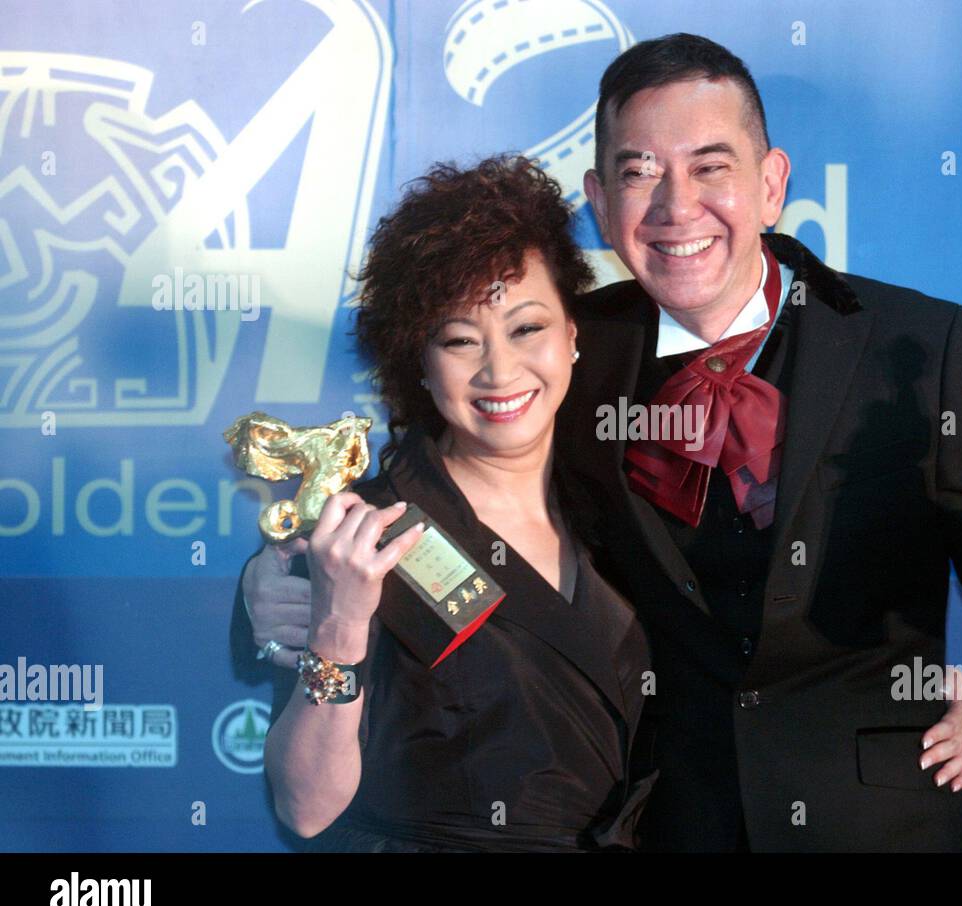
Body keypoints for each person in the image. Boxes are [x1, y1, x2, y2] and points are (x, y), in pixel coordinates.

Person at [236, 32, 962, 852]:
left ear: (771, 184)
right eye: (640, 172)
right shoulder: (563, 352)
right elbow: (423, 486)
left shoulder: (919, 344)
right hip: (665, 826)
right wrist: (274, 578)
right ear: (601, 201)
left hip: (878, 823)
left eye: (709, 168)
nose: (676, 206)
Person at [257, 156, 660, 851]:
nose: (499, 370)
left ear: (572, 335)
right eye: (460, 340)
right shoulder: (362, 534)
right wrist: (340, 632)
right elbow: (306, 808)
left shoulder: (621, 506)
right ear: (419, 360)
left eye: (527, 328)